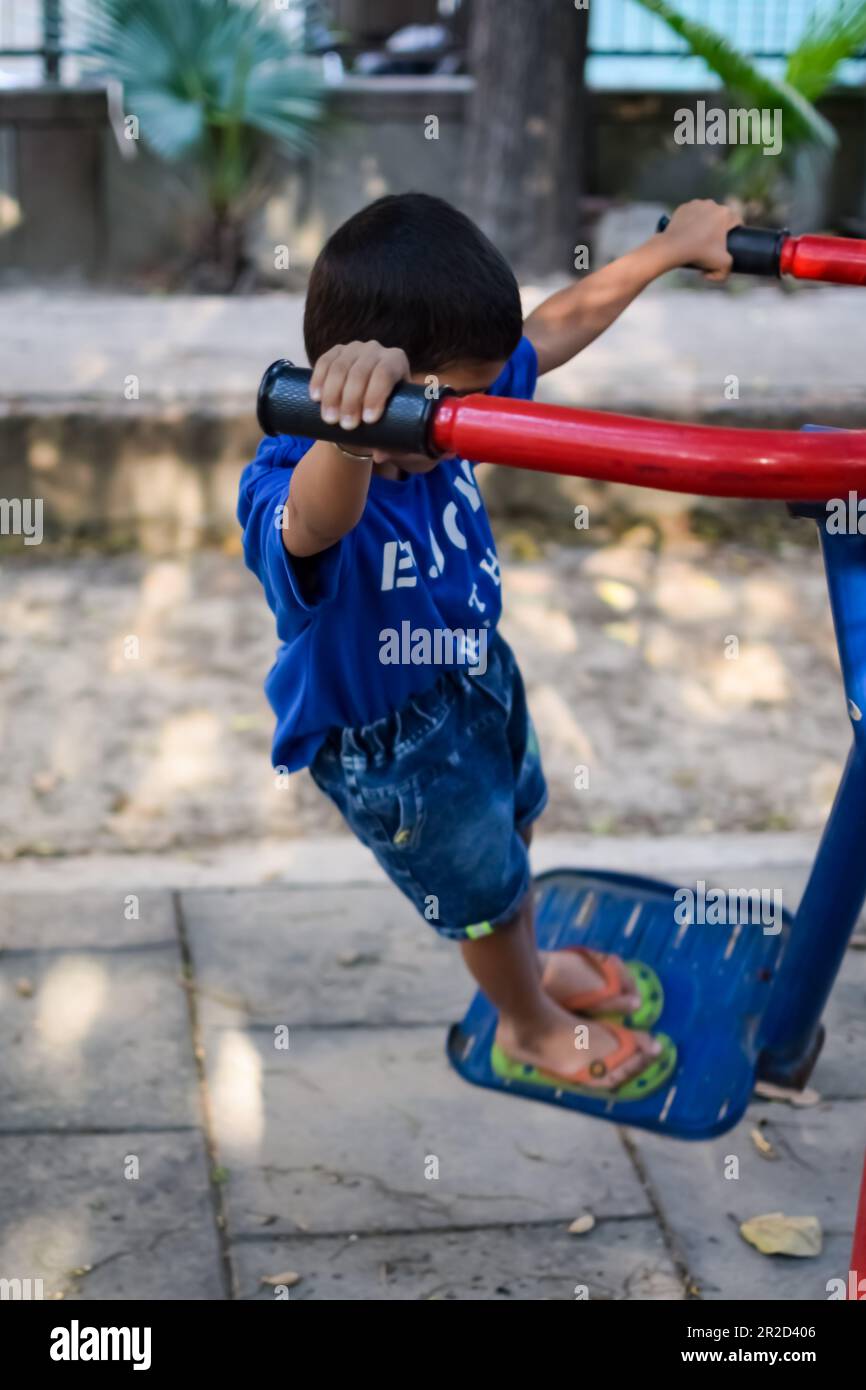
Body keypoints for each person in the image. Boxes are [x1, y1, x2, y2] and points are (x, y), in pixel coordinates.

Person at [238, 192, 739, 1098]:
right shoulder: (295, 474)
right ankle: (529, 1024)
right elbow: (312, 524)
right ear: (389, 395)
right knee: (483, 898)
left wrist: (664, 250)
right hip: (396, 743)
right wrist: (349, 434)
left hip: (476, 676)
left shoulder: (449, 402)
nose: (482, 419)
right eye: (462, 402)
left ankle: (526, 967)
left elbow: (549, 329)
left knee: (516, 824)